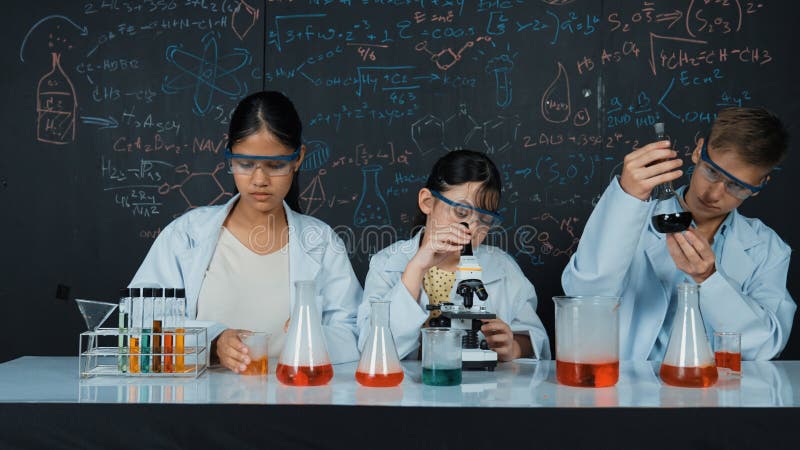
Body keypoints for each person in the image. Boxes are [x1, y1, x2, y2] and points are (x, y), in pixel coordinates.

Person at [130, 91, 361, 372]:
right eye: (246, 164)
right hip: (198, 407)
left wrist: (313, 335)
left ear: (298, 158)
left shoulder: (322, 242)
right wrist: (212, 344)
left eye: (275, 165)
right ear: (229, 158)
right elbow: (140, 324)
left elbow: (353, 334)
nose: (259, 180)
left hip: (294, 404)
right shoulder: (186, 235)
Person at [562, 107, 794, 360]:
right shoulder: (631, 217)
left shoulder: (768, 249)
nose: (713, 194)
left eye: (737, 186)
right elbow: (582, 295)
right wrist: (627, 198)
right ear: (698, 150)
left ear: (760, 185)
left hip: (713, 394)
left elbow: (764, 348)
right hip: (629, 390)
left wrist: (709, 279)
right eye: (712, 171)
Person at [359, 150, 551, 361]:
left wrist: (513, 347)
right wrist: (416, 268)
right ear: (427, 202)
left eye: (485, 220)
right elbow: (372, 348)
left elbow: (533, 338)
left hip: (480, 390)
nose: (472, 227)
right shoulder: (386, 263)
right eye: (461, 213)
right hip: (405, 390)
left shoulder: (503, 268)